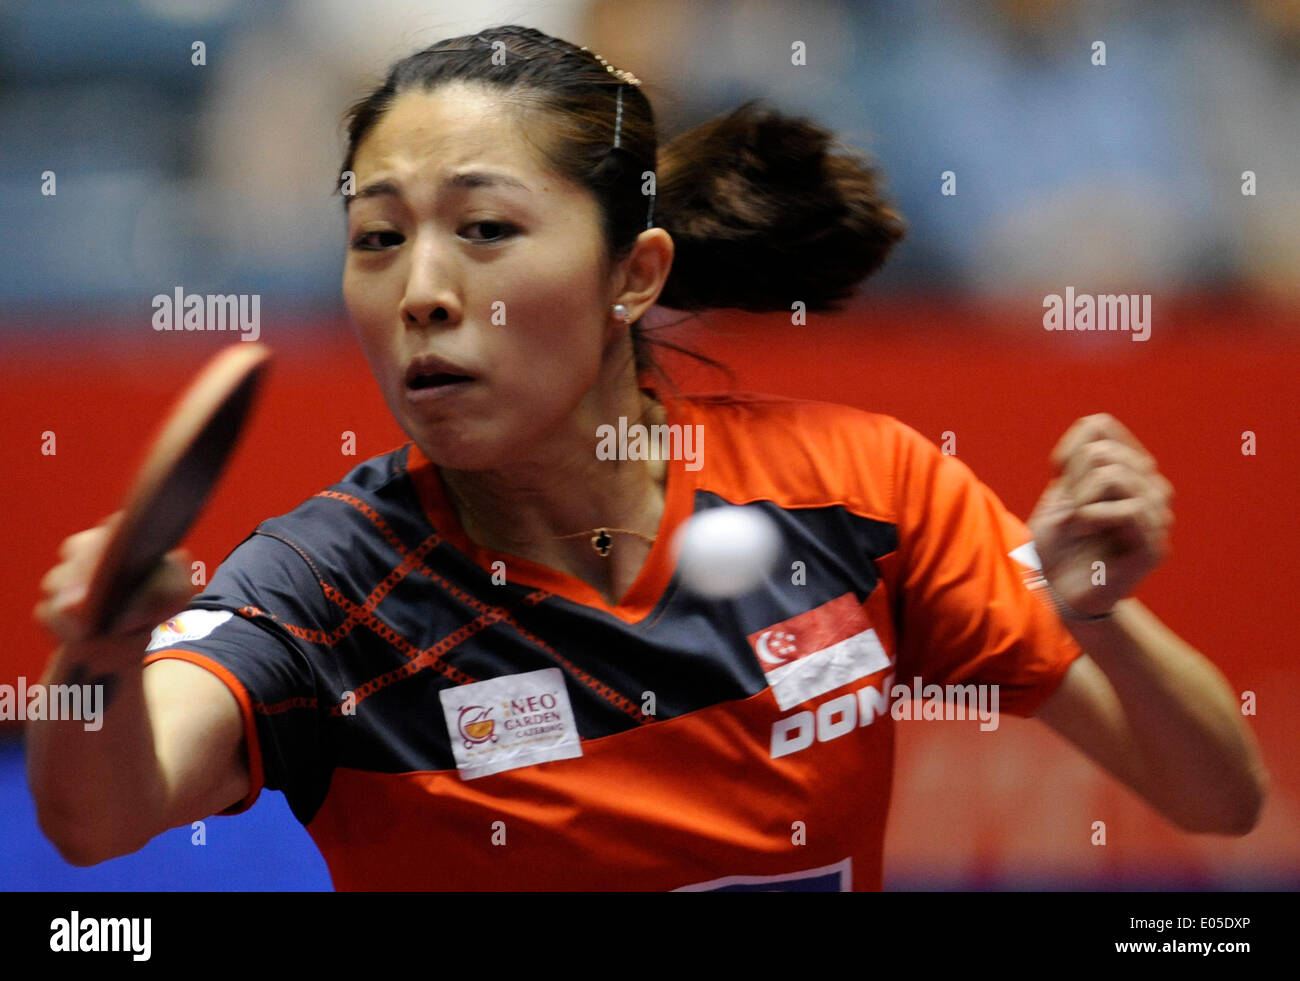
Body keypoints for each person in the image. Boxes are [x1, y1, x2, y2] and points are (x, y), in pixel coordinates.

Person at [29, 25, 1266, 891]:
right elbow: (96, 821)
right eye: (374, 239)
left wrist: (1095, 615)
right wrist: (98, 658)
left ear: (634, 274)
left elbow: (1220, 798)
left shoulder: (862, 489)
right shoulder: (324, 590)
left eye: (486, 229)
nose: (421, 291)